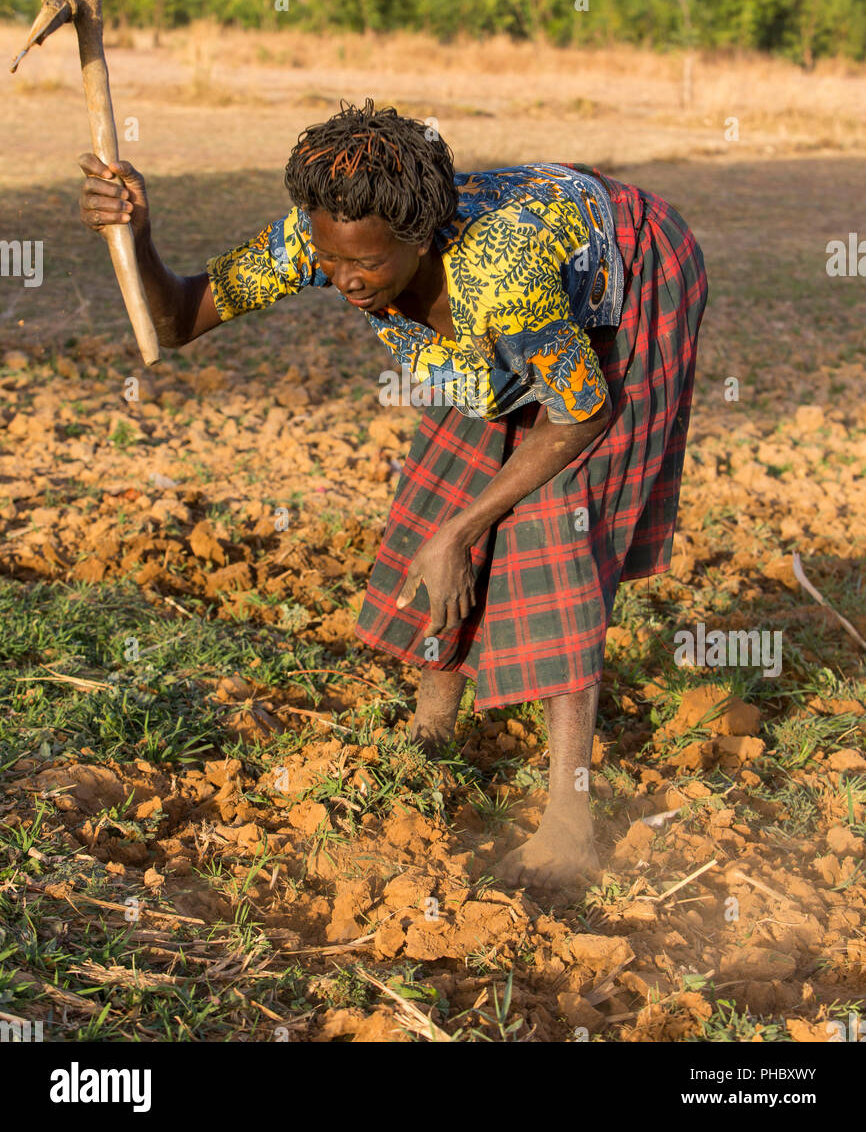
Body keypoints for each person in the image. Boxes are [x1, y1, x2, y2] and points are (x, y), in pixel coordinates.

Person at [78, 97, 708, 893]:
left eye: (365, 267)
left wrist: (462, 533)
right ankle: (431, 737)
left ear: (421, 238)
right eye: (329, 259)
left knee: (555, 525)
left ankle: (568, 823)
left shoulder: (501, 273)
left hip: (633, 268)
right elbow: (175, 321)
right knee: (450, 475)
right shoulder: (329, 229)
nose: (342, 280)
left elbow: (581, 412)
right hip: (509, 301)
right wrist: (134, 234)